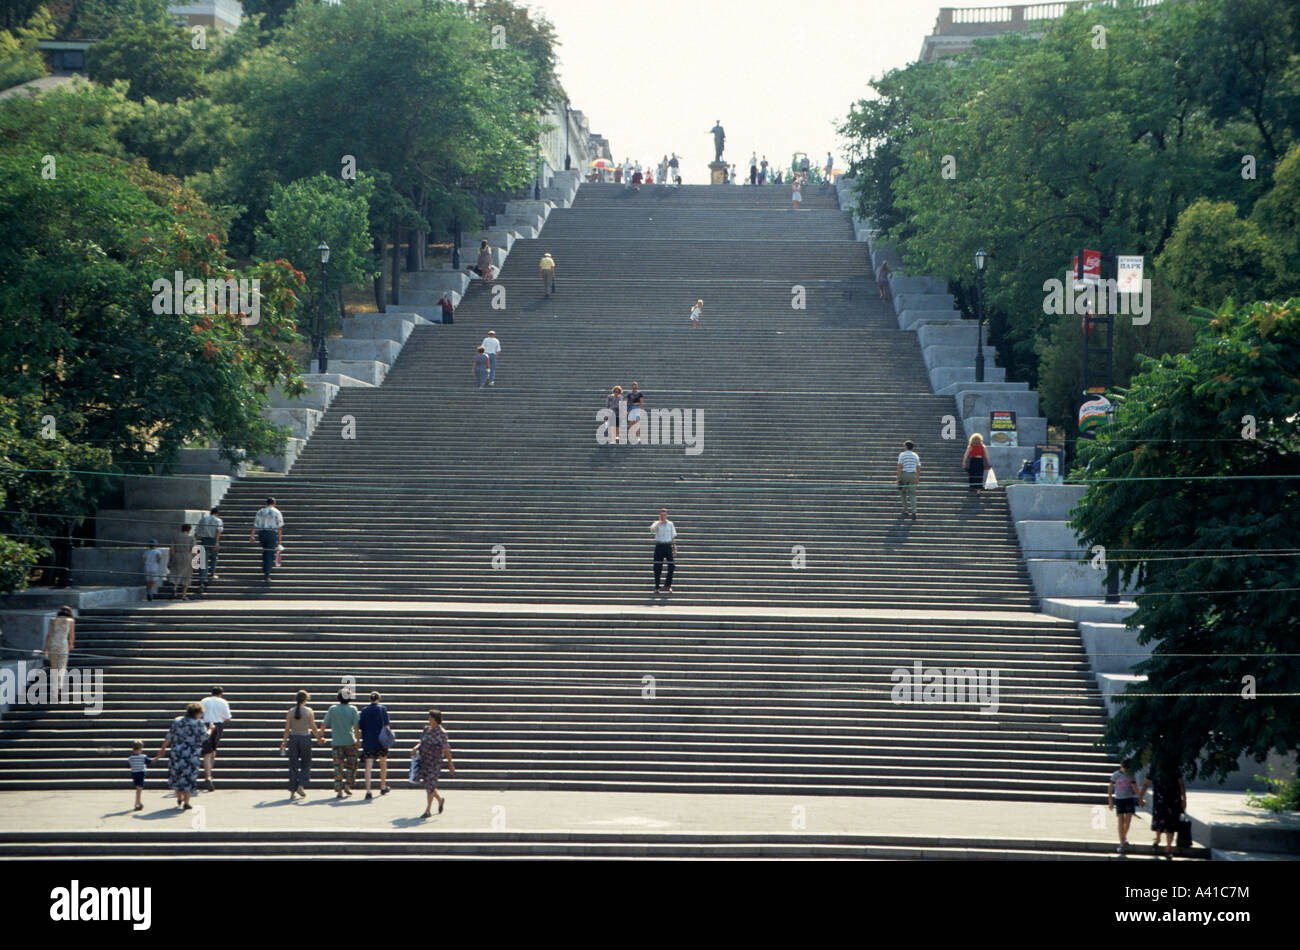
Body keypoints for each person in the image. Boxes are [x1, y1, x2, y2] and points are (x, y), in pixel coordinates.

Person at [156, 701, 208, 811]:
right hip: (191, 754)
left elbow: (169, 735)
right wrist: (211, 729)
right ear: (197, 713)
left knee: (177, 775)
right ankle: (187, 802)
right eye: (201, 713)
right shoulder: (199, 723)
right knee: (189, 777)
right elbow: (204, 737)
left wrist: (163, 747)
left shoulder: (177, 721)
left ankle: (179, 798)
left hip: (176, 753)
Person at [1139, 755, 1187, 859]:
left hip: (1169, 800)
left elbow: (1146, 784)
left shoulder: (1159, 767)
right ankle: (1162, 843)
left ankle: (1165, 846)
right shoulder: (1162, 767)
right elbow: (1181, 784)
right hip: (1166, 800)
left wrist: (1141, 797)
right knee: (1166, 821)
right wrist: (1184, 799)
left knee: (1164, 821)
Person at [412, 708, 455, 818]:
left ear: (436, 719)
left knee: (430, 784)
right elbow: (421, 741)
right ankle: (440, 800)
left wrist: (451, 764)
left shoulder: (442, 733)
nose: (428, 719)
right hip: (424, 760)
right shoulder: (426, 729)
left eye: (430, 717)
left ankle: (428, 810)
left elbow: (446, 749)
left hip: (435, 762)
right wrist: (415, 748)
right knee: (428, 785)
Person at [278, 690, 319, 800]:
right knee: (306, 762)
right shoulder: (309, 711)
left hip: (293, 739)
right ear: (305, 699)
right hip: (305, 738)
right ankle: (301, 785)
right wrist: (319, 737)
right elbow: (313, 726)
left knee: (293, 765)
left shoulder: (290, 711)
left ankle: (292, 791)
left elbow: (287, 729)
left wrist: (284, 742)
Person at [321, 689, 361, 799]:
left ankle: (339, 790)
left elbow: (324, 724)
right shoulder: (353, 709)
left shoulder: (332, 709)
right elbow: (356, 727)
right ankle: (348, 785)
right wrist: (358, 740)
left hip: (336, 742)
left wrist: (320, 736)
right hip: (350, 741)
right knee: (351, 765)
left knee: (338, 767)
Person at [359, 691, 393, 800]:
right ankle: (382, 786)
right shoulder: (383, 709)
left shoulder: (364, 710)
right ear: (379, 698)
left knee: (368, 767)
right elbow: (387, 725)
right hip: (381, 741)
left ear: (370, 699)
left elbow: (361, 726)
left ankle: (368, 791)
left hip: (368, 741)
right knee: (383, 764)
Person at [199, 686, 231, 791]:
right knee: (212, 751)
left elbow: (199, 715)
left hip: (206, 725)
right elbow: (228, 718)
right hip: (218, 726)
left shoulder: (204, 700)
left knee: (207, 751)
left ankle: (208, 775)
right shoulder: (223, 702)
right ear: (220, 694)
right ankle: (209, 775)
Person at [1108, 758, 1141, 854]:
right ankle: (1121, 843)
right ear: (1121, 766)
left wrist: (1140, 797)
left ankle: (1124, 836)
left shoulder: (1131, 774)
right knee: (1120, 820)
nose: (1125, 770)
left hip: (1129, 799)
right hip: (1119, 799)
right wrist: (1110, 800)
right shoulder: (1116, 775)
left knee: (1128, 820)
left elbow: (1134, 786)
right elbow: (1110, 787)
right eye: (1124, 768)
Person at [250, 497, 284, 582]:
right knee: (270, 553)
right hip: (271, 533)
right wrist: (279, 542)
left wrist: (252, 535)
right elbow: (280, 527)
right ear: (274, 503)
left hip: (262, 533)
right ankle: (267, 574)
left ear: (266, 503)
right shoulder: (277, 512)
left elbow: (255, 524)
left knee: (265, 552)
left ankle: (265, 570)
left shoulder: (260, 511)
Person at [42, 606, 75, 687]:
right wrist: (71, 643)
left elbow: (49, 635)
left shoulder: (53, 620)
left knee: (54, 666)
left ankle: (55, 685)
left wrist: (45, 648)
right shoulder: (70, 621)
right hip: (63, 644)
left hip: (53, 644)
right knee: (62, 665)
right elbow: (71, 635)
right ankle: (59, 685)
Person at [650, 508, 677, 593]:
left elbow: (673, 537)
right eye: (661, 515)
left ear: (667, 515)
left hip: (668, 546)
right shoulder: (656, 523)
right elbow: (653, 530)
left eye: (664, 515)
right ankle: (657, 586)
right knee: (657, 566)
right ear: (659, 515)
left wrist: (675, 548)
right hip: (659, 546)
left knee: (672, 566)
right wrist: (658, 523)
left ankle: (667, 585)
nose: (663, 517)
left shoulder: (670, 524)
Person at [195, 507, 222, 589]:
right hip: (213, 540)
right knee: (214, 558)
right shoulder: (218, 520)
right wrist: (216, 543)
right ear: (217, 513)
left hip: (204, 540)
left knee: (204, 561)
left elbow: (197, 533)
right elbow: (218, 532)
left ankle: (202, 580)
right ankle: (212, 573)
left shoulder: (203, 520)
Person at [168, 523, 195, 600]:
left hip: (177, 555)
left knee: (176, 573)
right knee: (187, 575)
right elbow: (194, 551)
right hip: (187, 556)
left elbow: (171, 549)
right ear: (189, 529)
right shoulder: (191, 538)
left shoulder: (176, 536)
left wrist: (170, 560)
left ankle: (174, 589)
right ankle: (183, 595)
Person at [897, 441, 921, 519]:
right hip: (913, 475)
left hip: (904, 474)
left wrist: (898, 478)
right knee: (912, 494)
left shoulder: (902, 455)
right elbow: (918, 467)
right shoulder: (915, 455)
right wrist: (917, 478)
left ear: (906, 447)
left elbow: (900, 467)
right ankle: (914, 511)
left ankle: (905, 509)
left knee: (903, 492)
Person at [128, 740, 151, 812]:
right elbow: (150, 761)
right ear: (141, 748)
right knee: (139, 789)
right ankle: (137, 803)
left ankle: (139, 802)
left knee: (138, 789)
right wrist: (158, 757)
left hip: (134, 773)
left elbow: (129, 765)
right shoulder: (143, 756)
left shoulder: (130, 757)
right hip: (141, 773)